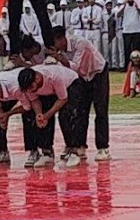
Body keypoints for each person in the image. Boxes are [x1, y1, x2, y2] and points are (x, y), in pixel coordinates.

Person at [43, 26, 111, 166]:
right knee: (80, 111)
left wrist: (58, 58)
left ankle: (103, 147)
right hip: (82, 77)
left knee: (101, 109)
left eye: (53, 42)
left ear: (61, 39)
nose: (52, 46)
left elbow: (75, 66)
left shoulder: (80, 43)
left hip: (98, 72)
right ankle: (79, 146)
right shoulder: (59, 52)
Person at [16, 63, 79, 168]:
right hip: (49, 92)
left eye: (31, 87)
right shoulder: (29, 86)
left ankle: (74, 150)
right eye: (27, 89)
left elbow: (63, 99)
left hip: (70, 84)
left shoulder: (55, 77)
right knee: (39, 118)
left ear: (37, 78)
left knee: (66, 115)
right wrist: (40, 115)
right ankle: (47, 152)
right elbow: (34, 100)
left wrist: (47, 115)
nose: (30, 90)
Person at [0, 66, 38, 167]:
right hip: (7, 95)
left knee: (28, 116)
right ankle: (2, 151)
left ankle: (33, 151)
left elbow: (27, 106)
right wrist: (2, 116)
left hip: (22, 89)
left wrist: (8, 114)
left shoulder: (15, 87)